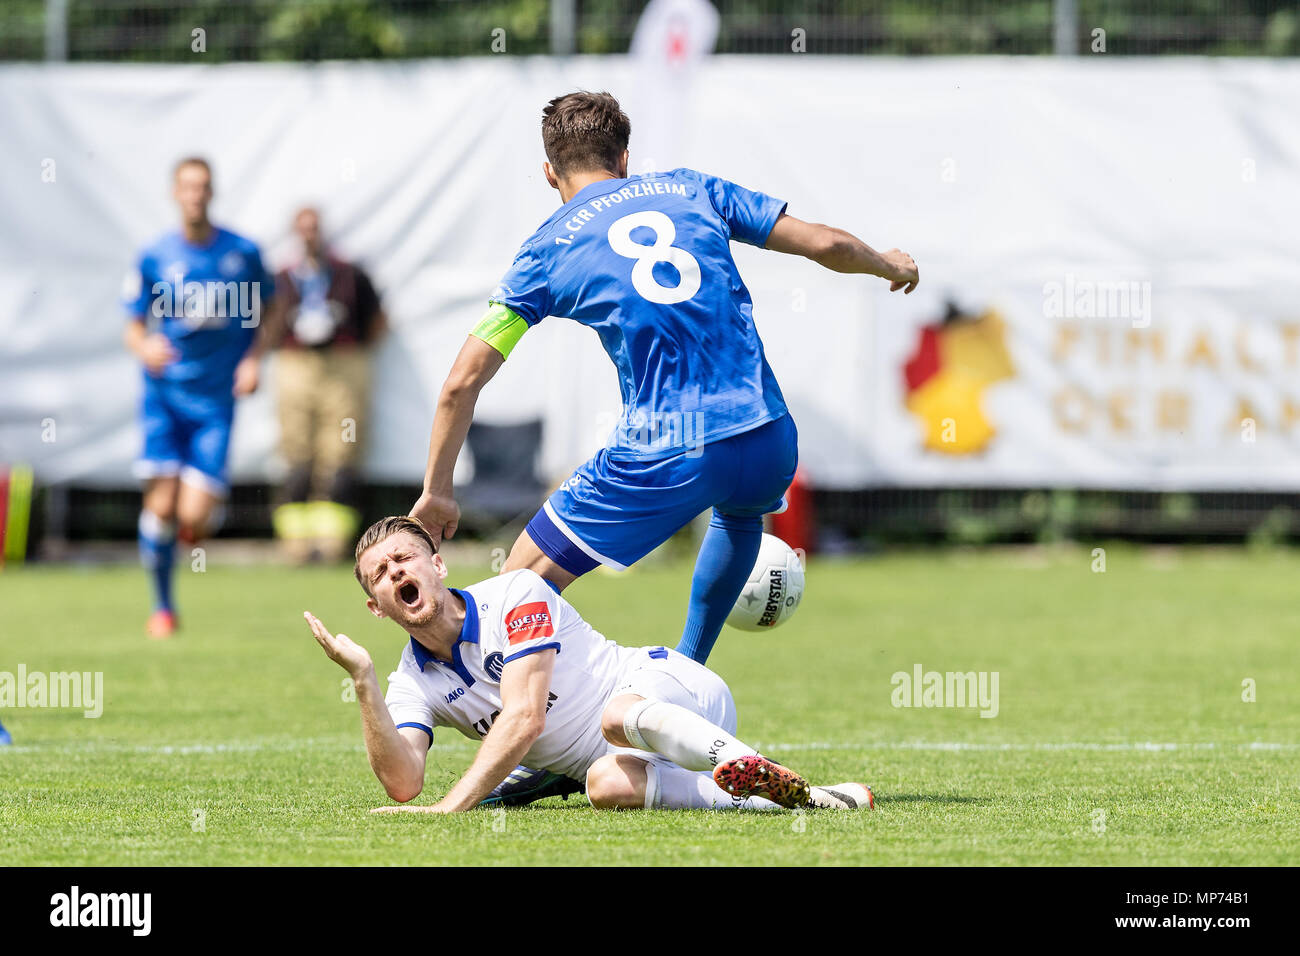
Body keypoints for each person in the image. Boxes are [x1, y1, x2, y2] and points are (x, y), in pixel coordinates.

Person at [410, 90, 918, 671]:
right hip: (768, 435)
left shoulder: (545, 251)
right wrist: (887, 262)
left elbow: (460, 384)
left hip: (667, 447)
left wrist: (438, 489)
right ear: (624, 158)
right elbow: (826, 243)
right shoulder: (692, 188)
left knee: (512, 593)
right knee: (740, 513)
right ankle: (686, 674)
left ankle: (533, 731)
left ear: (550, 174)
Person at [304, 515, 874, 814]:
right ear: (375, 608)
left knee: (615, 714)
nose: (397, 574)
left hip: (673, 690)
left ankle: (746, 760)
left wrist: (452, 807)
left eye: (403, 559)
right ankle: (799, 796)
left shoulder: (516, 592)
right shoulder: (412, 681)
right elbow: (404, 783)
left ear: (437, 564)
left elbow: (525, 718)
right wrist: (363, 681)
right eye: (380, 574)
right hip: (628, 757)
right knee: (602, 785)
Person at [122, 157, 275, 639]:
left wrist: (254, 359)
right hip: (163, 398)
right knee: (162, 507)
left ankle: (199, 521)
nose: (195, 194)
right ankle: (163, 609)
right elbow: (132, 323)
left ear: (212, 192)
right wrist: (144, 345)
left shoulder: (241, 252)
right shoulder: (154, 256)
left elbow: (273, 308)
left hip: (214, 402)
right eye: (187, 186)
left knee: (191, 516)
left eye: (203, 186)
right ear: (175, 193)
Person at [268, 207, 386, 563]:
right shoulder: (283, 277)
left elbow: (378, 321)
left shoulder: (350, 274)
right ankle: (296, 543)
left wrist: (351, 351)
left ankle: (332, 542)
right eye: (302, 229)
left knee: (342, 448)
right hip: (296, 362)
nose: (309, 235)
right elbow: (267, 324)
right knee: (297, 448)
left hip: (342, 362)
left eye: (314, 228)